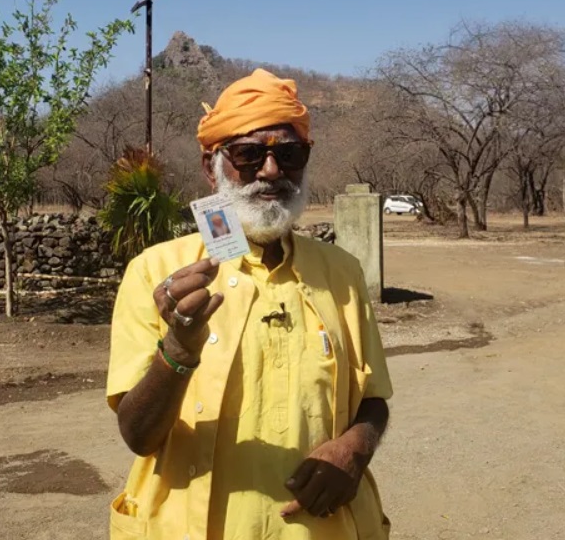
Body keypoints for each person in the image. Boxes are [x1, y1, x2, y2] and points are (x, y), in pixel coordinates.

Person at [106, 68, 394, 540]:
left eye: (289, 154)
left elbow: (373, 399)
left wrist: (355, 451)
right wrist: (178, 349)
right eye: (248, 154)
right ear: (212, 166)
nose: (271, 171)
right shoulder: (156, 272)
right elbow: (138, 435)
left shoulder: (341, 272)